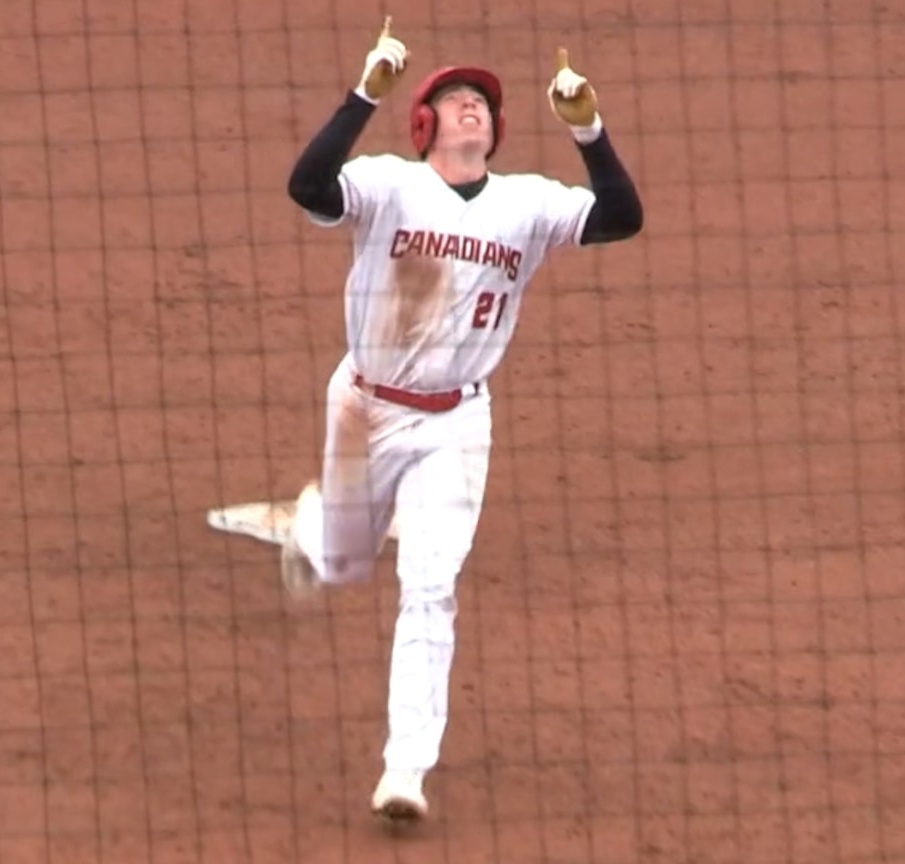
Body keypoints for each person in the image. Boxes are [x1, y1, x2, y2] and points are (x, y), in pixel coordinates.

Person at [277, 17, 643, 826]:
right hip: (364, 407)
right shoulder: (387, 184)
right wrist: (361, 92)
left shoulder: (528, 204)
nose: (471, 107)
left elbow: (621, 217)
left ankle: (405, 768)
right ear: (424, 124)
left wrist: (587, 126)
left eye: (480, 100)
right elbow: (308, 188)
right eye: (454, 99)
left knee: (430, 587)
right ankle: (311, 522)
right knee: (340, 564)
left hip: (456, 427)